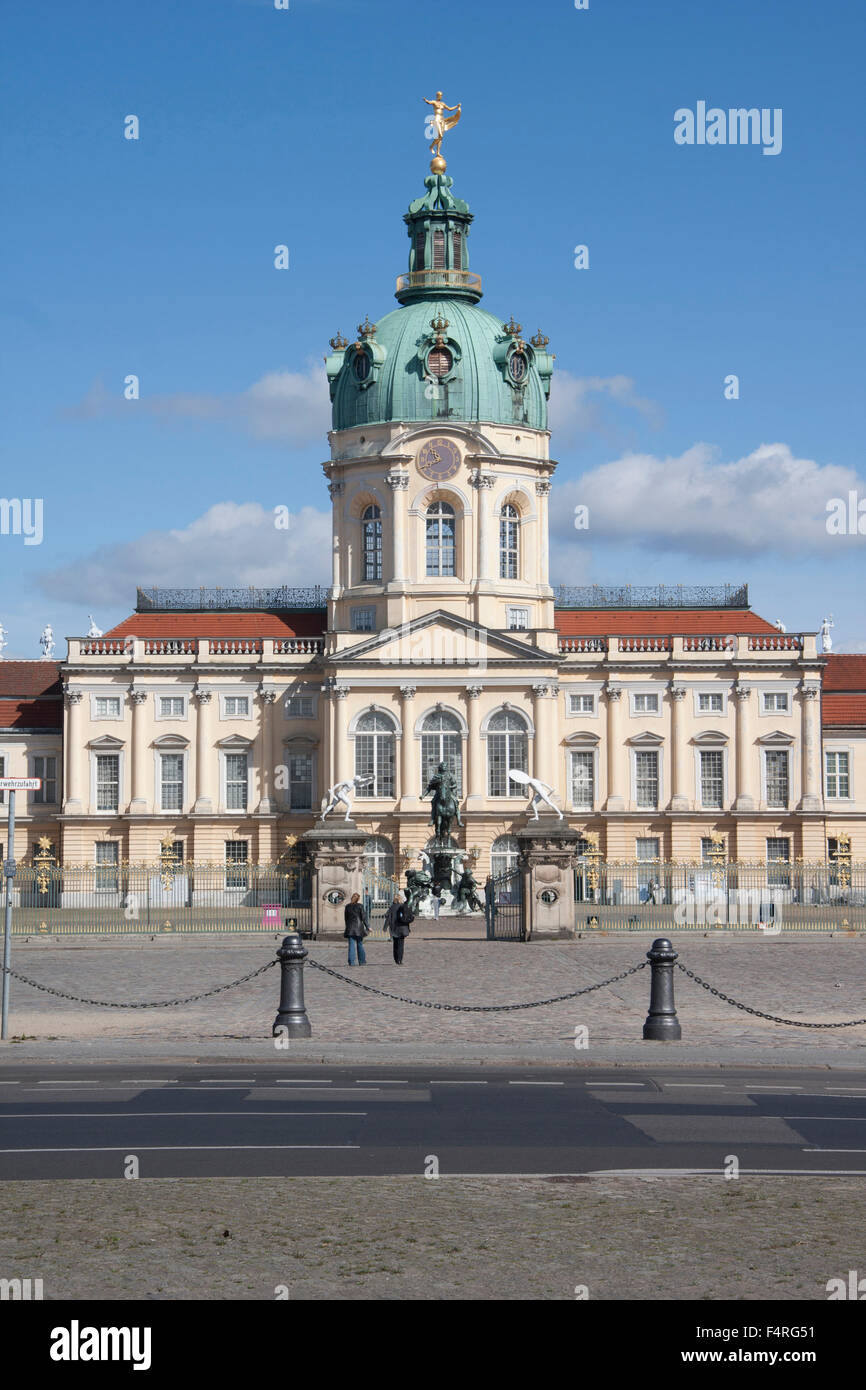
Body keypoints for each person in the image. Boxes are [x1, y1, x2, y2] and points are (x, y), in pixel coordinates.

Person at [388, 890, 413, 965]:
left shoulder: (392, 907)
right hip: (402, 927)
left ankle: (396, 959)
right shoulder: (403, 906)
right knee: (401, 944)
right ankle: (400, 959)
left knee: (395, 944)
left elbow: (387, 916)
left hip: (394, 927)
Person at [343, 892, 369, 965]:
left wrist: (347, 927)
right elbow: (364, 918)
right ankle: (362, 961)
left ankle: (351, 962)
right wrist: (368, 926)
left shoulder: (347, 906)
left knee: (351, 946)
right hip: (359, 928)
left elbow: (346, 918)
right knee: (360, 944)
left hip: (350, 928)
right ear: (358, 899)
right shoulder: (360, 906)